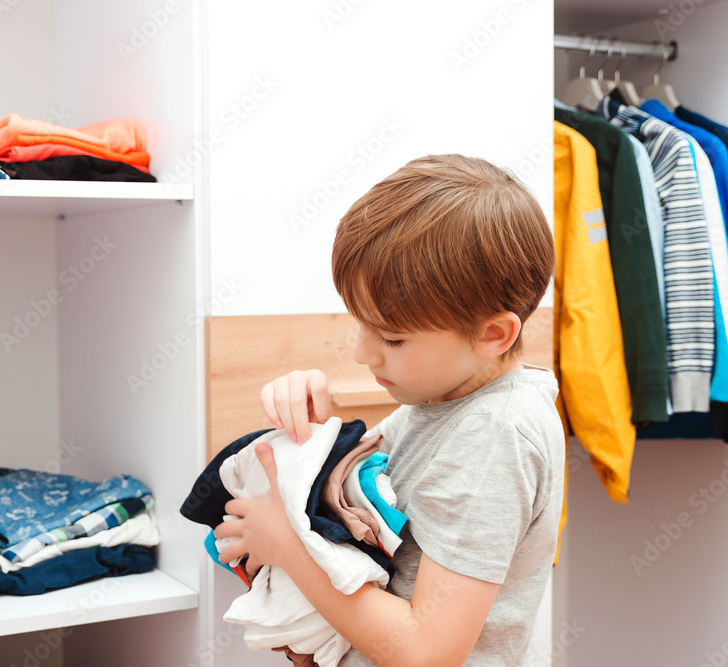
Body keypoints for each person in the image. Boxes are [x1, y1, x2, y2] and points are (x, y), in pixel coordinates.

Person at [213, 154, 564, 666]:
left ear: (493, 334)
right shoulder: (442, 400)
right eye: (362, 326)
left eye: (392, 338)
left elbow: (427, 652)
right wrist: (316, 431)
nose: (363, 354)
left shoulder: (494, 434)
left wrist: (288, 544)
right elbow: (366, 510)